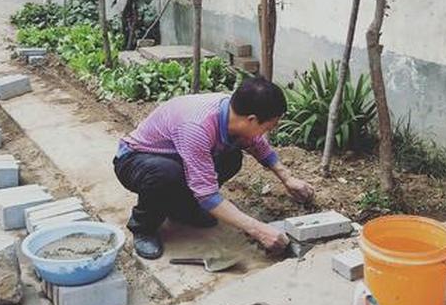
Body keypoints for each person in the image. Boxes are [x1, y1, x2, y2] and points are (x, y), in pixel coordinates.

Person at [113, 76, 315, 259]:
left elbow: (257, 144)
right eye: (269, 127)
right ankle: (143, 228)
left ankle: (184, 210)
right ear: (252, 119)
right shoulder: (197, 126)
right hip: (135, 160)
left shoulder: (235, 113)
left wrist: (287, 178)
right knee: (167, 174)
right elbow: (207, 194)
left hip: (179, 158)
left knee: (231, 158)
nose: (267, 132)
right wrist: (258, 229)